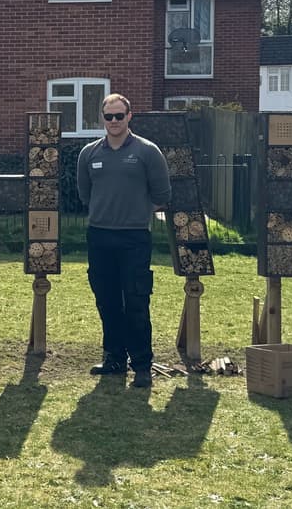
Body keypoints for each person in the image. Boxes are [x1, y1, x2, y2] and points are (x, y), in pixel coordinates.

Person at [76, 94, 171, 388]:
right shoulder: (89, 154)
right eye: (109, 117)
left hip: (134, 238)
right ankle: (114, 358)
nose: (114, 122)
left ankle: (141, 364)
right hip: (100, 236)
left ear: (130, 116)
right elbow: (85, 195)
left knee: (136, 301)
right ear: (102, 119)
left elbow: (162, 195)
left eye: (119, 116)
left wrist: (135, 212)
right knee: (107, 301)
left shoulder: (147, 152)